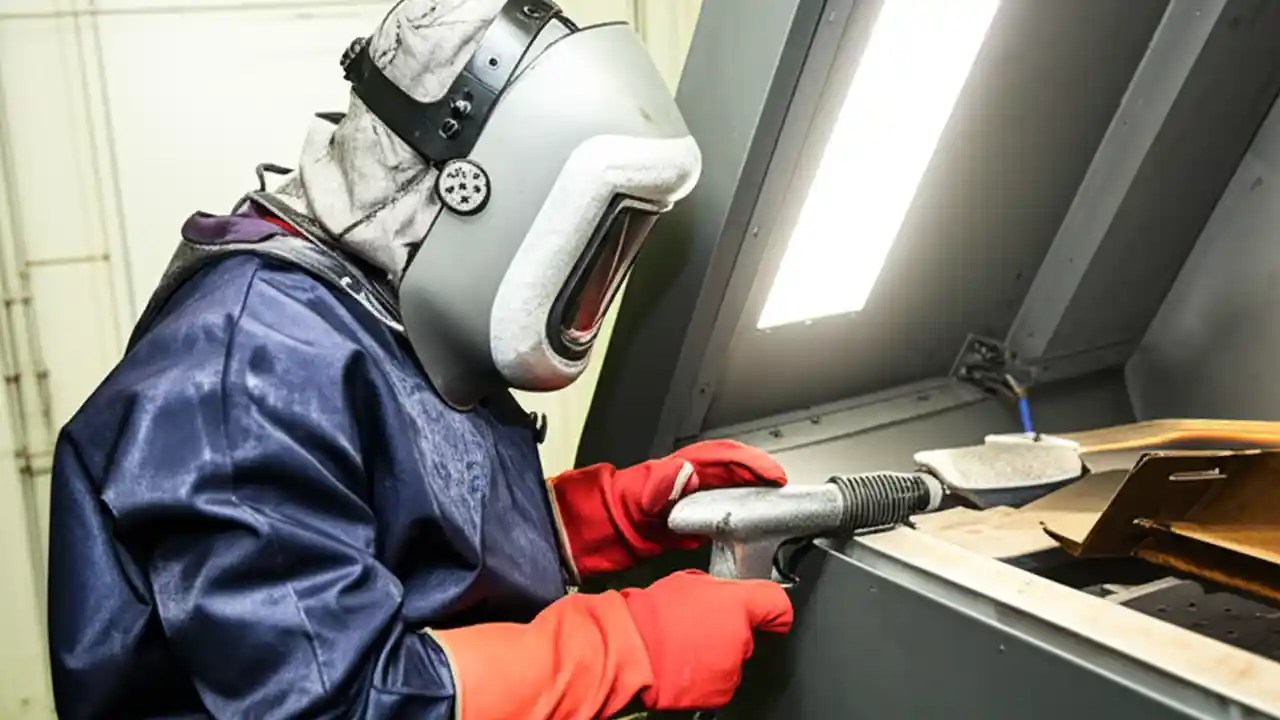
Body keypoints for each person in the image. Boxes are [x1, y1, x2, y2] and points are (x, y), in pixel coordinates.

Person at [47, 1, 793, 718]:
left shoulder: (379, 304)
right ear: (467, 192)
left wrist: (594, 523)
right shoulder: (246, 370)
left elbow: (397, 543)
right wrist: (625, 646)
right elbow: (333, 702)